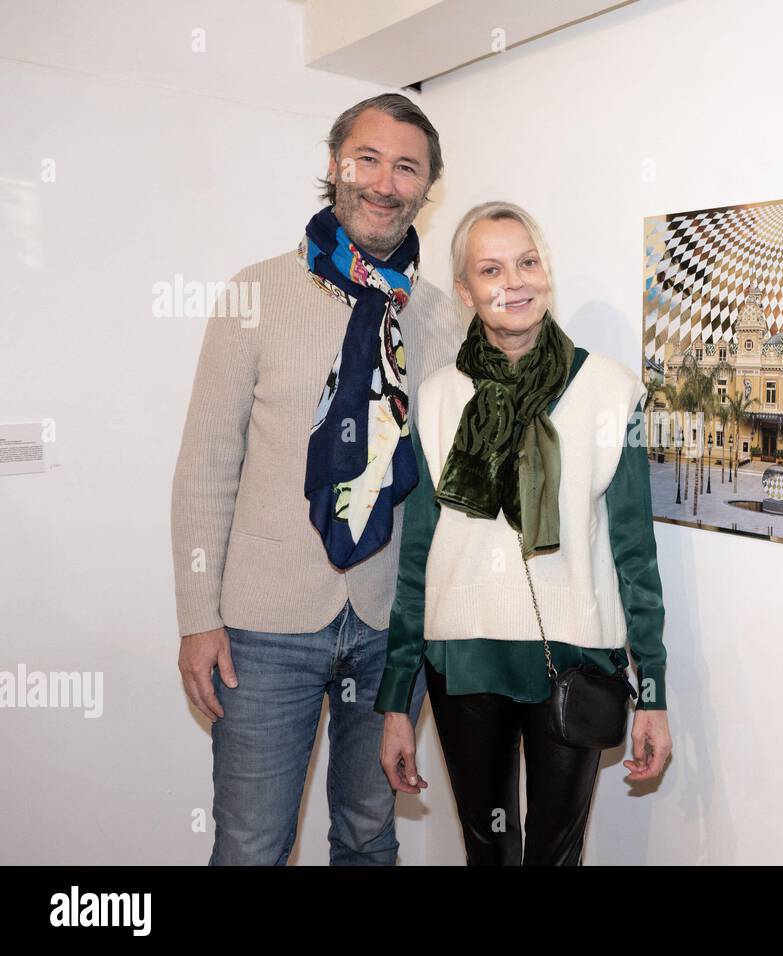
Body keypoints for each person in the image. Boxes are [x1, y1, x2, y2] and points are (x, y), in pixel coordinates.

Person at [171, 93, 461, 864]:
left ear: (425, 190)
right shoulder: (254, 295)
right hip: (262, 629)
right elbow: (205, 467)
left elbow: (449, 484)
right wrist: (199, 616)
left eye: (407, 168)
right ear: (335, 166)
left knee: (368, 837)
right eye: (367, 159)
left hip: (386, 627)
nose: (385, 183)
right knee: (251, 843)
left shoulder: (440, 321)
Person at [375, 201, 671, 865]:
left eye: (527, 261)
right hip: (463, 660)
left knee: (554, 856)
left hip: (573, 661)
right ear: (465, 291)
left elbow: (634, 553)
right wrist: (397, 700)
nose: (514, 280)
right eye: (491, 267)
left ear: (546, 272)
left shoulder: (611, 390)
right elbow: (417, 554)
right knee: (489, 853)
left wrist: (652, 690)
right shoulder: (436, 397)